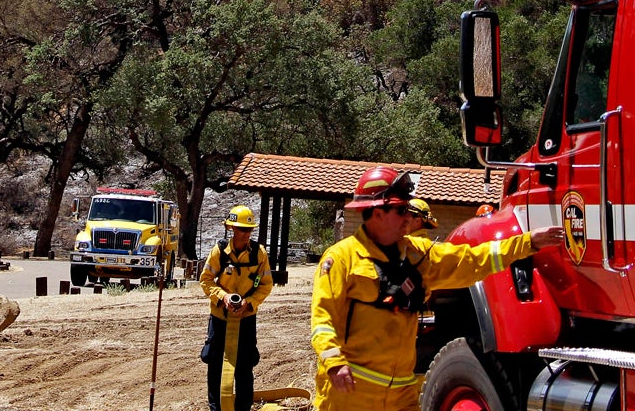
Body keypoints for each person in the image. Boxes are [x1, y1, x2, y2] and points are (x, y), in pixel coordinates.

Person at [311, 166, 564, 411]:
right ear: (378, 213)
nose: (408, 217)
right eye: (401, 210)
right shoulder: (341, 259)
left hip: (401, 397)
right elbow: (323, 319)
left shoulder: (417, 255)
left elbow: (472, 259)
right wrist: (333, 362)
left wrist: (527, 243)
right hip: (349, 394)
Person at [200, 204, 273, 411]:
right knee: (215, 364)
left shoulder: (259, 254)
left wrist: (248, 303)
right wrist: (222, 297)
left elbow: (266, 285)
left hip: (246, 319)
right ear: (232, 228)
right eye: (242, 229)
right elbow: (205, 280)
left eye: (249, 230)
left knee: (244, 366)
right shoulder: (220, 252)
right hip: (220, 319)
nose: (246, 234)